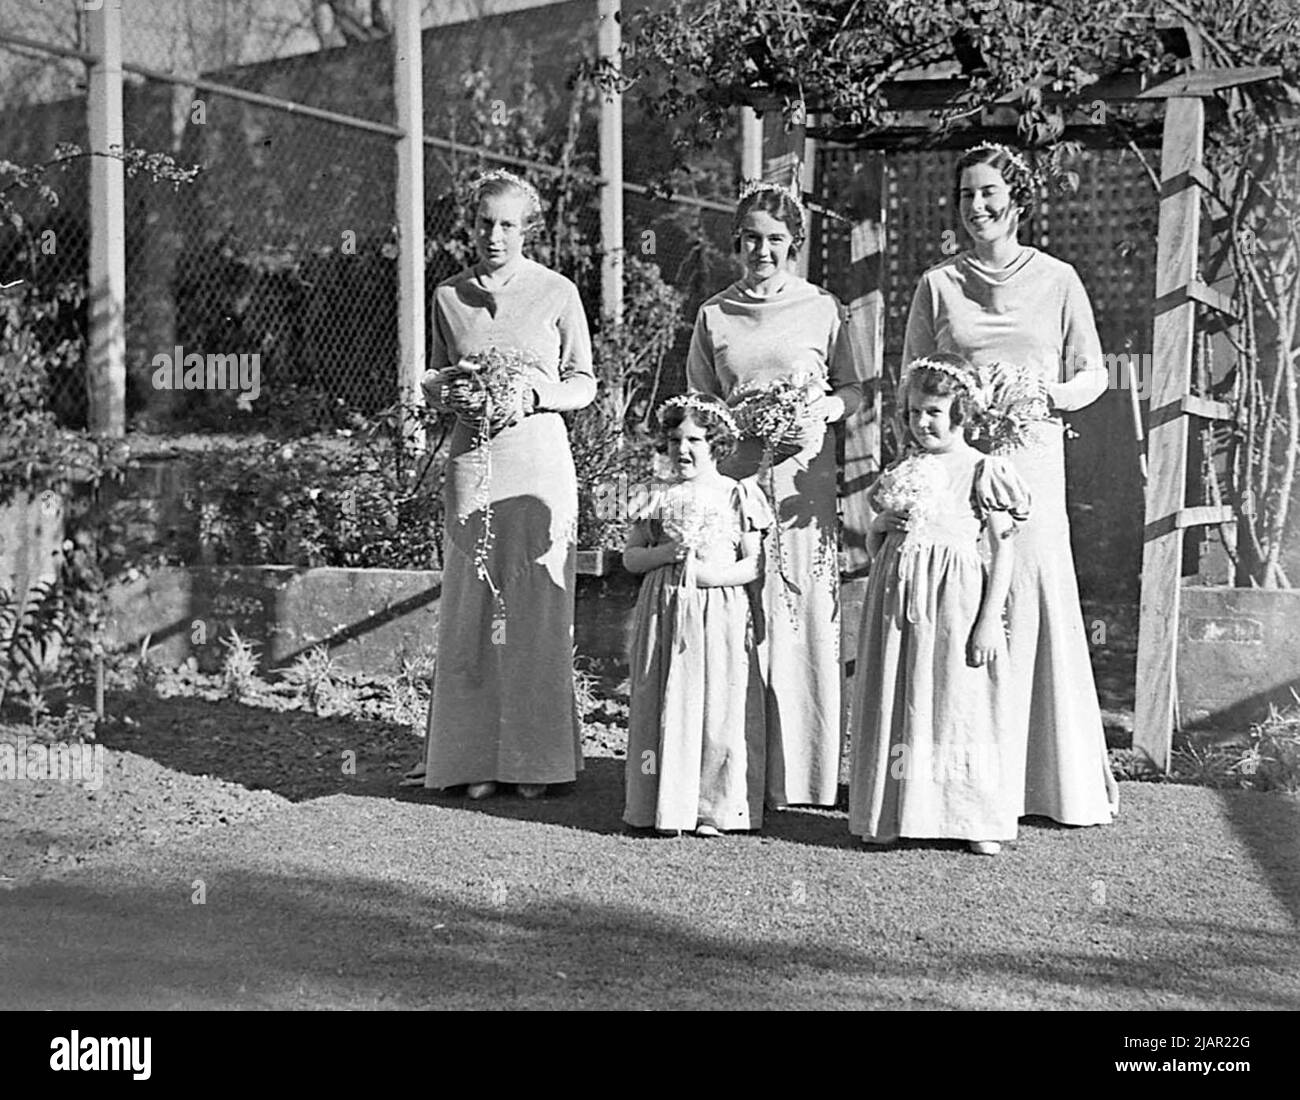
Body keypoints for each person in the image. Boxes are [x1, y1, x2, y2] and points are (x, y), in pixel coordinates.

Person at [900, 141, 1118, 826]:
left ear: (1018, 199)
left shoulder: (1057, 279)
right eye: (966, 195)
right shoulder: (938, 285)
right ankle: (956, 784)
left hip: (1031, 453)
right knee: (963, 598)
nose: (978, 207)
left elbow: (1094, 373)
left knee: (1028, 592)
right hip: (961, 462)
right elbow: (912, 378)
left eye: (990, 192)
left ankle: (1045, 784)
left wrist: (1044, 392)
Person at [402, 168, 595, 800]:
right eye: (485, 222)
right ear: (471, 226)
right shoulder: (448, 296)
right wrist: (444, 390)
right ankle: (472, 760)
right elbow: (432, 380)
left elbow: (584, 383)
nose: (495, 235)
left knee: (536, 606)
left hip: (538, 462)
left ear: (528, 229)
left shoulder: (558, 291)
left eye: (508, 224)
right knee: (474, 607)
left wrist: (535, 391)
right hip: (472, 463)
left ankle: (536, 763)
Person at [686, 180, 862, 810]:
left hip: (801, 484)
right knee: (739, 613)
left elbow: (856, 391)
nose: (763, 250)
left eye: (777, 240)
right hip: (736, 483)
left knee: (800, 609)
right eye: (752, 239)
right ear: (737, 242)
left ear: (796, 245)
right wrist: (730, 423)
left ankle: (805, 775)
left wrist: (819, 411)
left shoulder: (823, 308)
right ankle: (737, 768)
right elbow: (698, 406)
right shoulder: (713, 314)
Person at [849, 356, 1030, 854]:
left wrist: (990, 620)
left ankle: (972, 818)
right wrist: (877, 530)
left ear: (962, 414)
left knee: (958, 701)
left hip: (954, 598)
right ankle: (890, 811)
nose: (921, 423)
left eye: (933, 412)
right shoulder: (903, 471)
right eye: (911, 413)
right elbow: (879, 539)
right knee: (898, 691)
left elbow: (1004, 547)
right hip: (896, 595)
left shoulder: (982, 470)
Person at [622, 394, 773, 836]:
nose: (682, 450)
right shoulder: (654, 495)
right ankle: (659, 803)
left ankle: (714, 808)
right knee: (663, 702)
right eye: (673, 440)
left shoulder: (737, 493)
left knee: (716, 708)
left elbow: (755, 564)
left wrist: (712, 576)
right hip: (664, 609)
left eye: (695, 440)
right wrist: (667, 554)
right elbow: (632, 558)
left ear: (718, 444)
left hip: (719, 611)